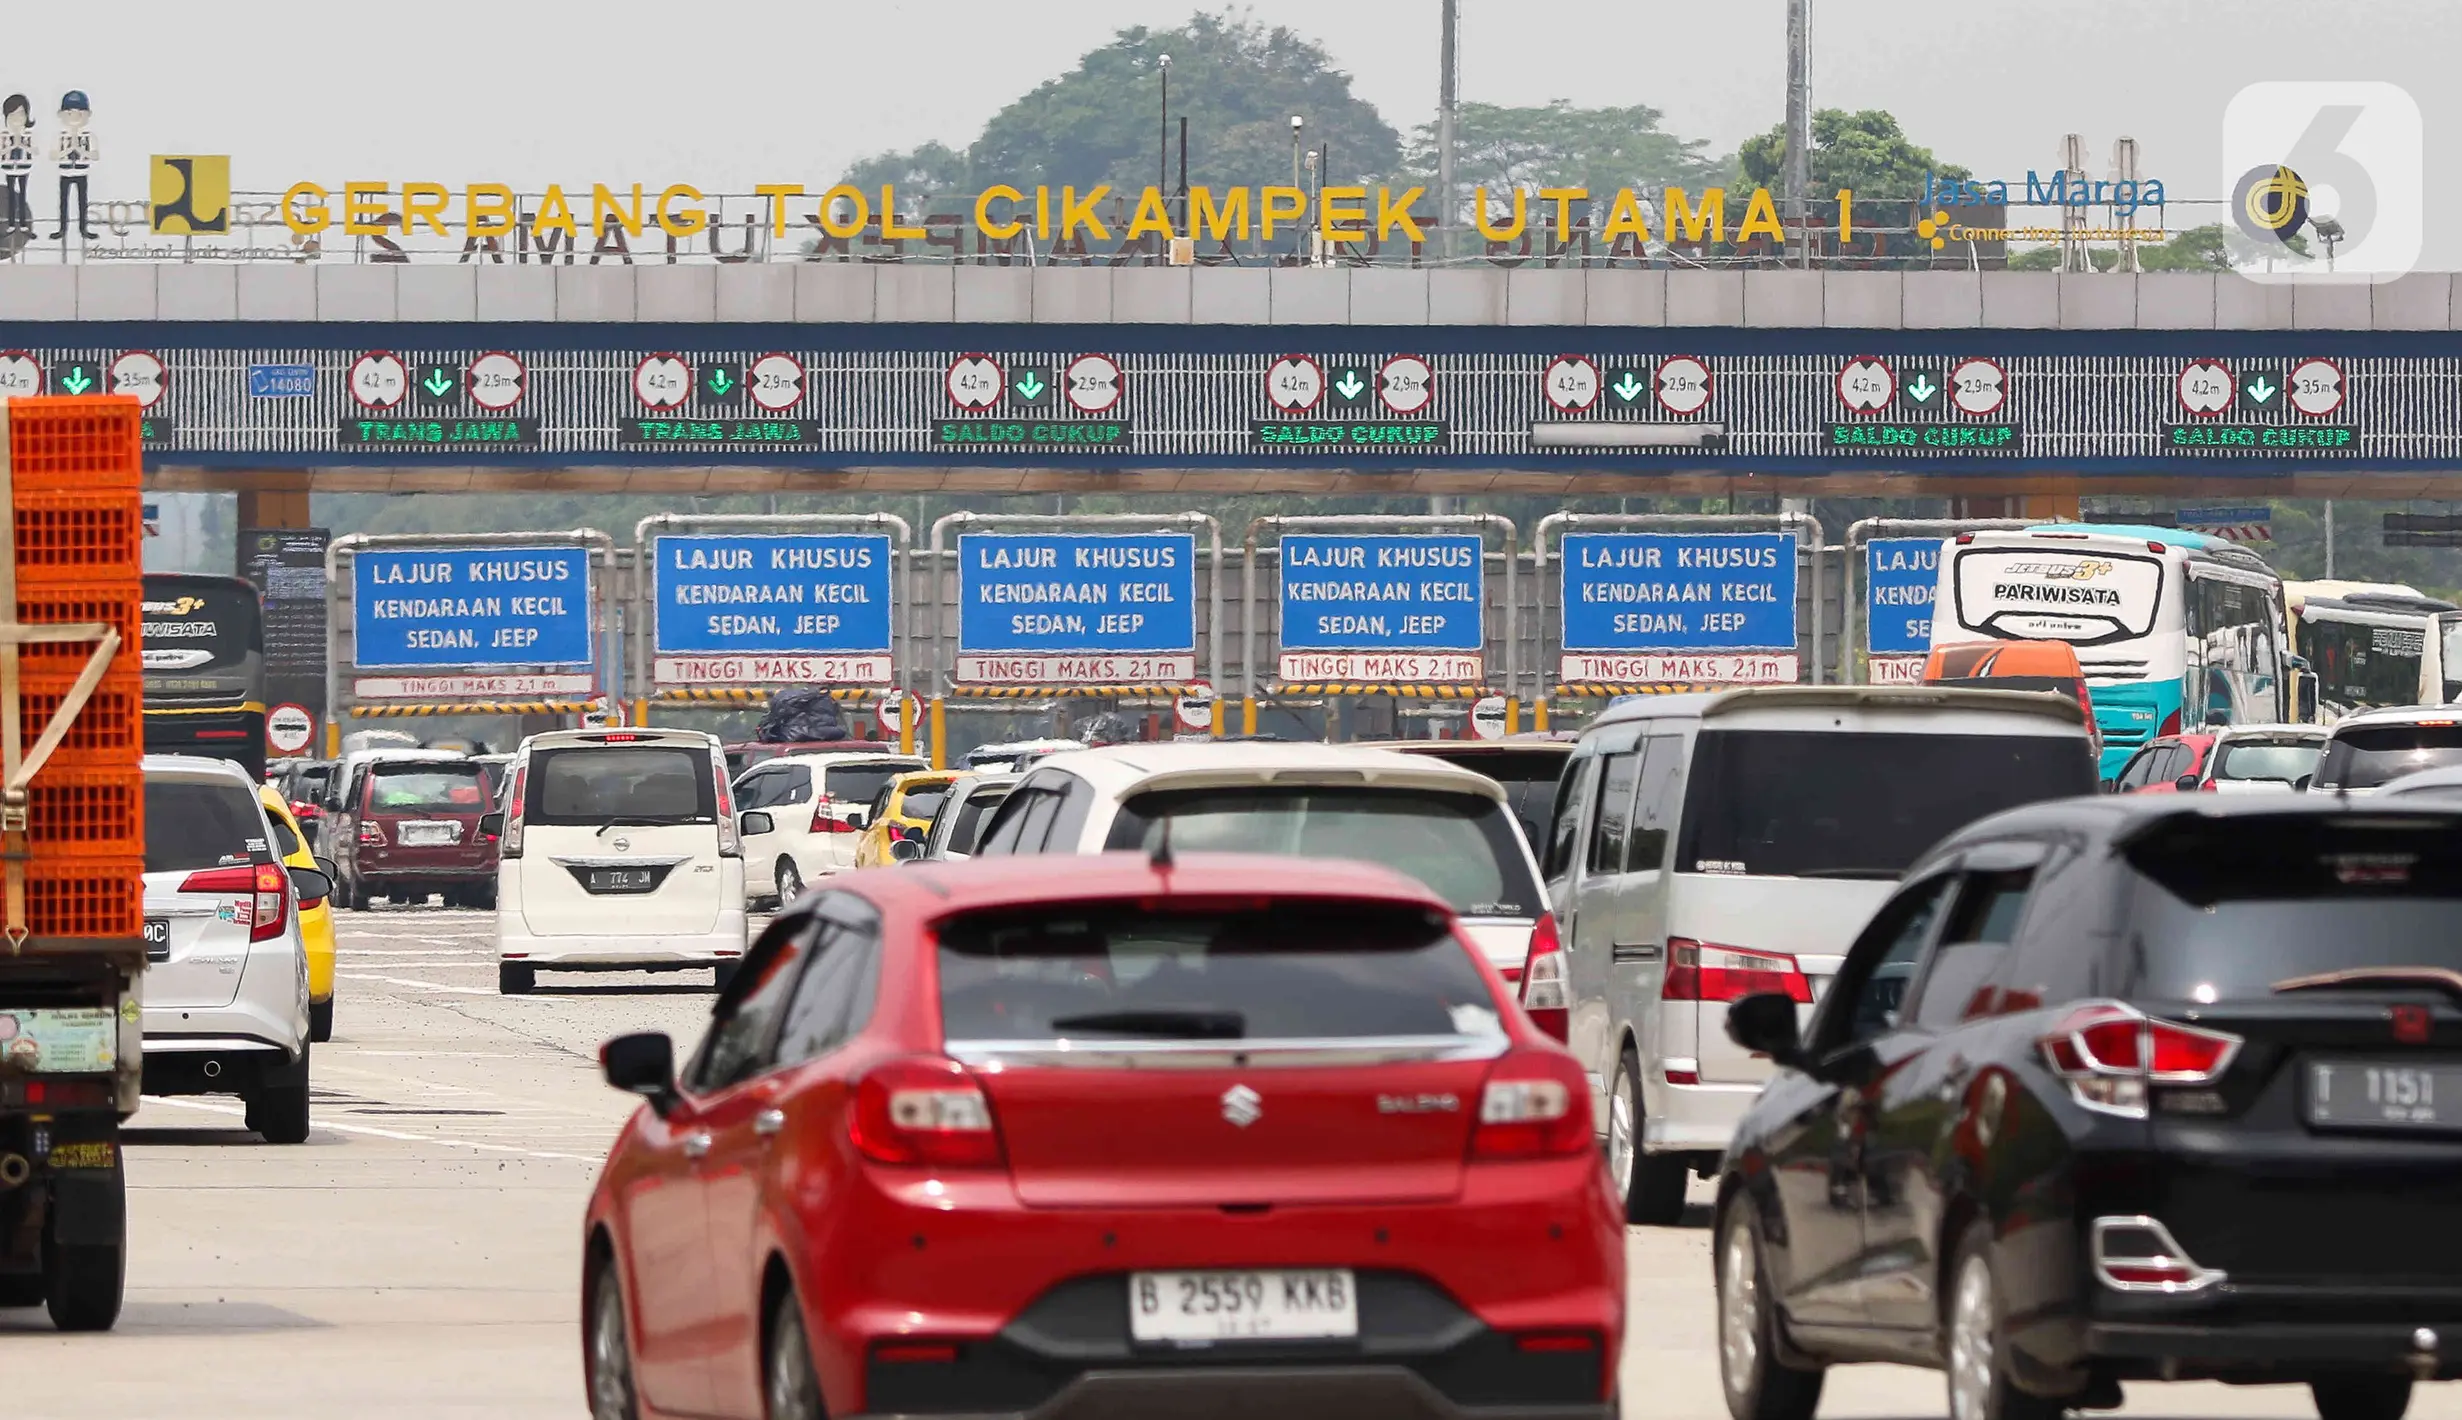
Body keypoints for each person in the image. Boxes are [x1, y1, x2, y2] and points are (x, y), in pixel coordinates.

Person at [51, 91, 93, 242]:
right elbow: (53, 155)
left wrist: (80, 149)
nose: (74, 117)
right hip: (65, 172)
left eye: (79, 113)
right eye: (69, 113)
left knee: (83, 202)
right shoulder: (61, 136)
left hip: (82, 172)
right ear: (61, 114)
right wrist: (68, 149)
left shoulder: (87, 136)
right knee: (64, 201)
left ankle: (83, 228)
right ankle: (63, 228)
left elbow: (95, 155)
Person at [0, 96, 32, 236]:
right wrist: (13, 145)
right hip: (9, 169)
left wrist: (23, 144)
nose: (17, 119)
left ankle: (23, 224)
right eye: (12, 115)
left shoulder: (27, 135)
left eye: (21, 114)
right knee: (11, 195)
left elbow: (34, 150)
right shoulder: (5, 136)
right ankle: (12, 224)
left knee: (22, 194)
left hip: (24, 168)